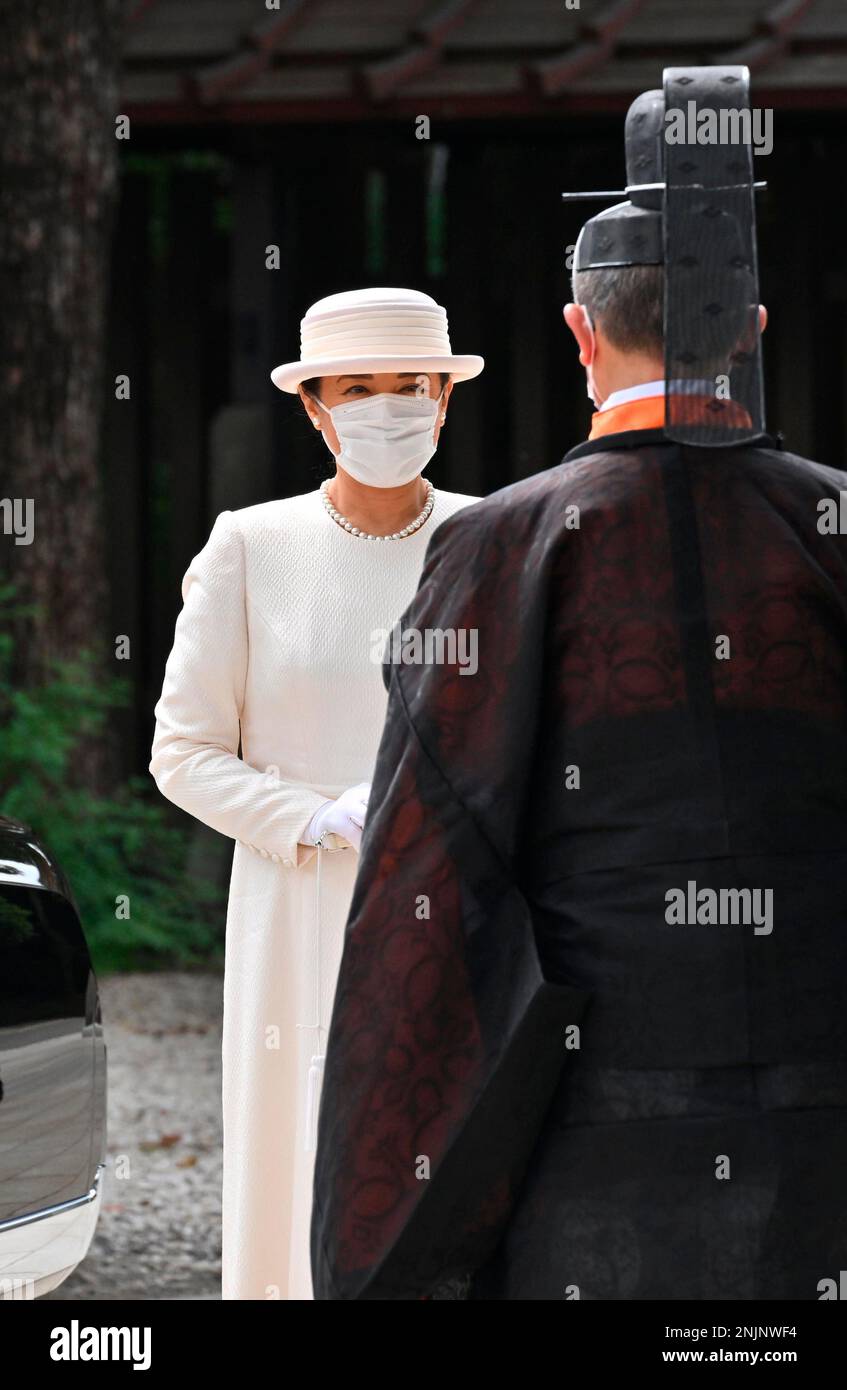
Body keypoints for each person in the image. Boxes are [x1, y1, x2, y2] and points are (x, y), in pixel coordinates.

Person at [310, 69, 847, 1300]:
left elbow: (428, 879)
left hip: (597, 1140)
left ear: (578, 332)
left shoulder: (503, 544)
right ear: (753, 330)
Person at [148, 286, 483, 1299]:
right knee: (300, 1158)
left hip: (459, 901)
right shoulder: (251, 546)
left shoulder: (495, 538)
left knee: (456, 1143)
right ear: (313, 406)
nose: (385, 410)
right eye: (358, 388)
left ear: (443, 398)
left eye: (406, 387)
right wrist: (307, 816)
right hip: (300, 909)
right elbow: (183, 749)